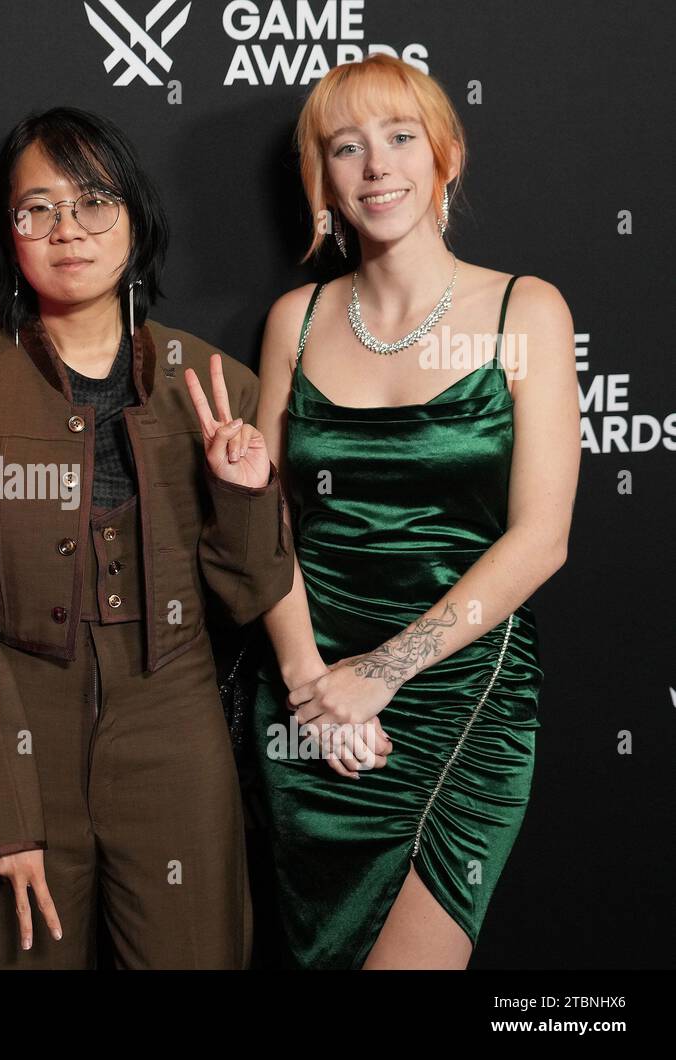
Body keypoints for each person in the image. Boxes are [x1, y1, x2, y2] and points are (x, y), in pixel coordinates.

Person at [0, 107, 294, 969]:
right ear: (7, 231)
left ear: (137, 217)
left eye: (95, 201)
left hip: (173, 724)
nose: (68, 231)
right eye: (38, 208)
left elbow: (249, 596)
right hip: (16, 727)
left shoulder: (211, 379)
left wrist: (244, 493)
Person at [251, 54, 579, 968]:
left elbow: (541, 538)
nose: (377, 168)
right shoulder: (298, 320)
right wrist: (314, 684)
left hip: (456, 689)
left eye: (400, 138)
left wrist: (383, 673)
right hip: (307, 692)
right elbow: (264, 526)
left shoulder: (525, 309)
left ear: (447, 155)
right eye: (346, 148)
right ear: (322, 179)